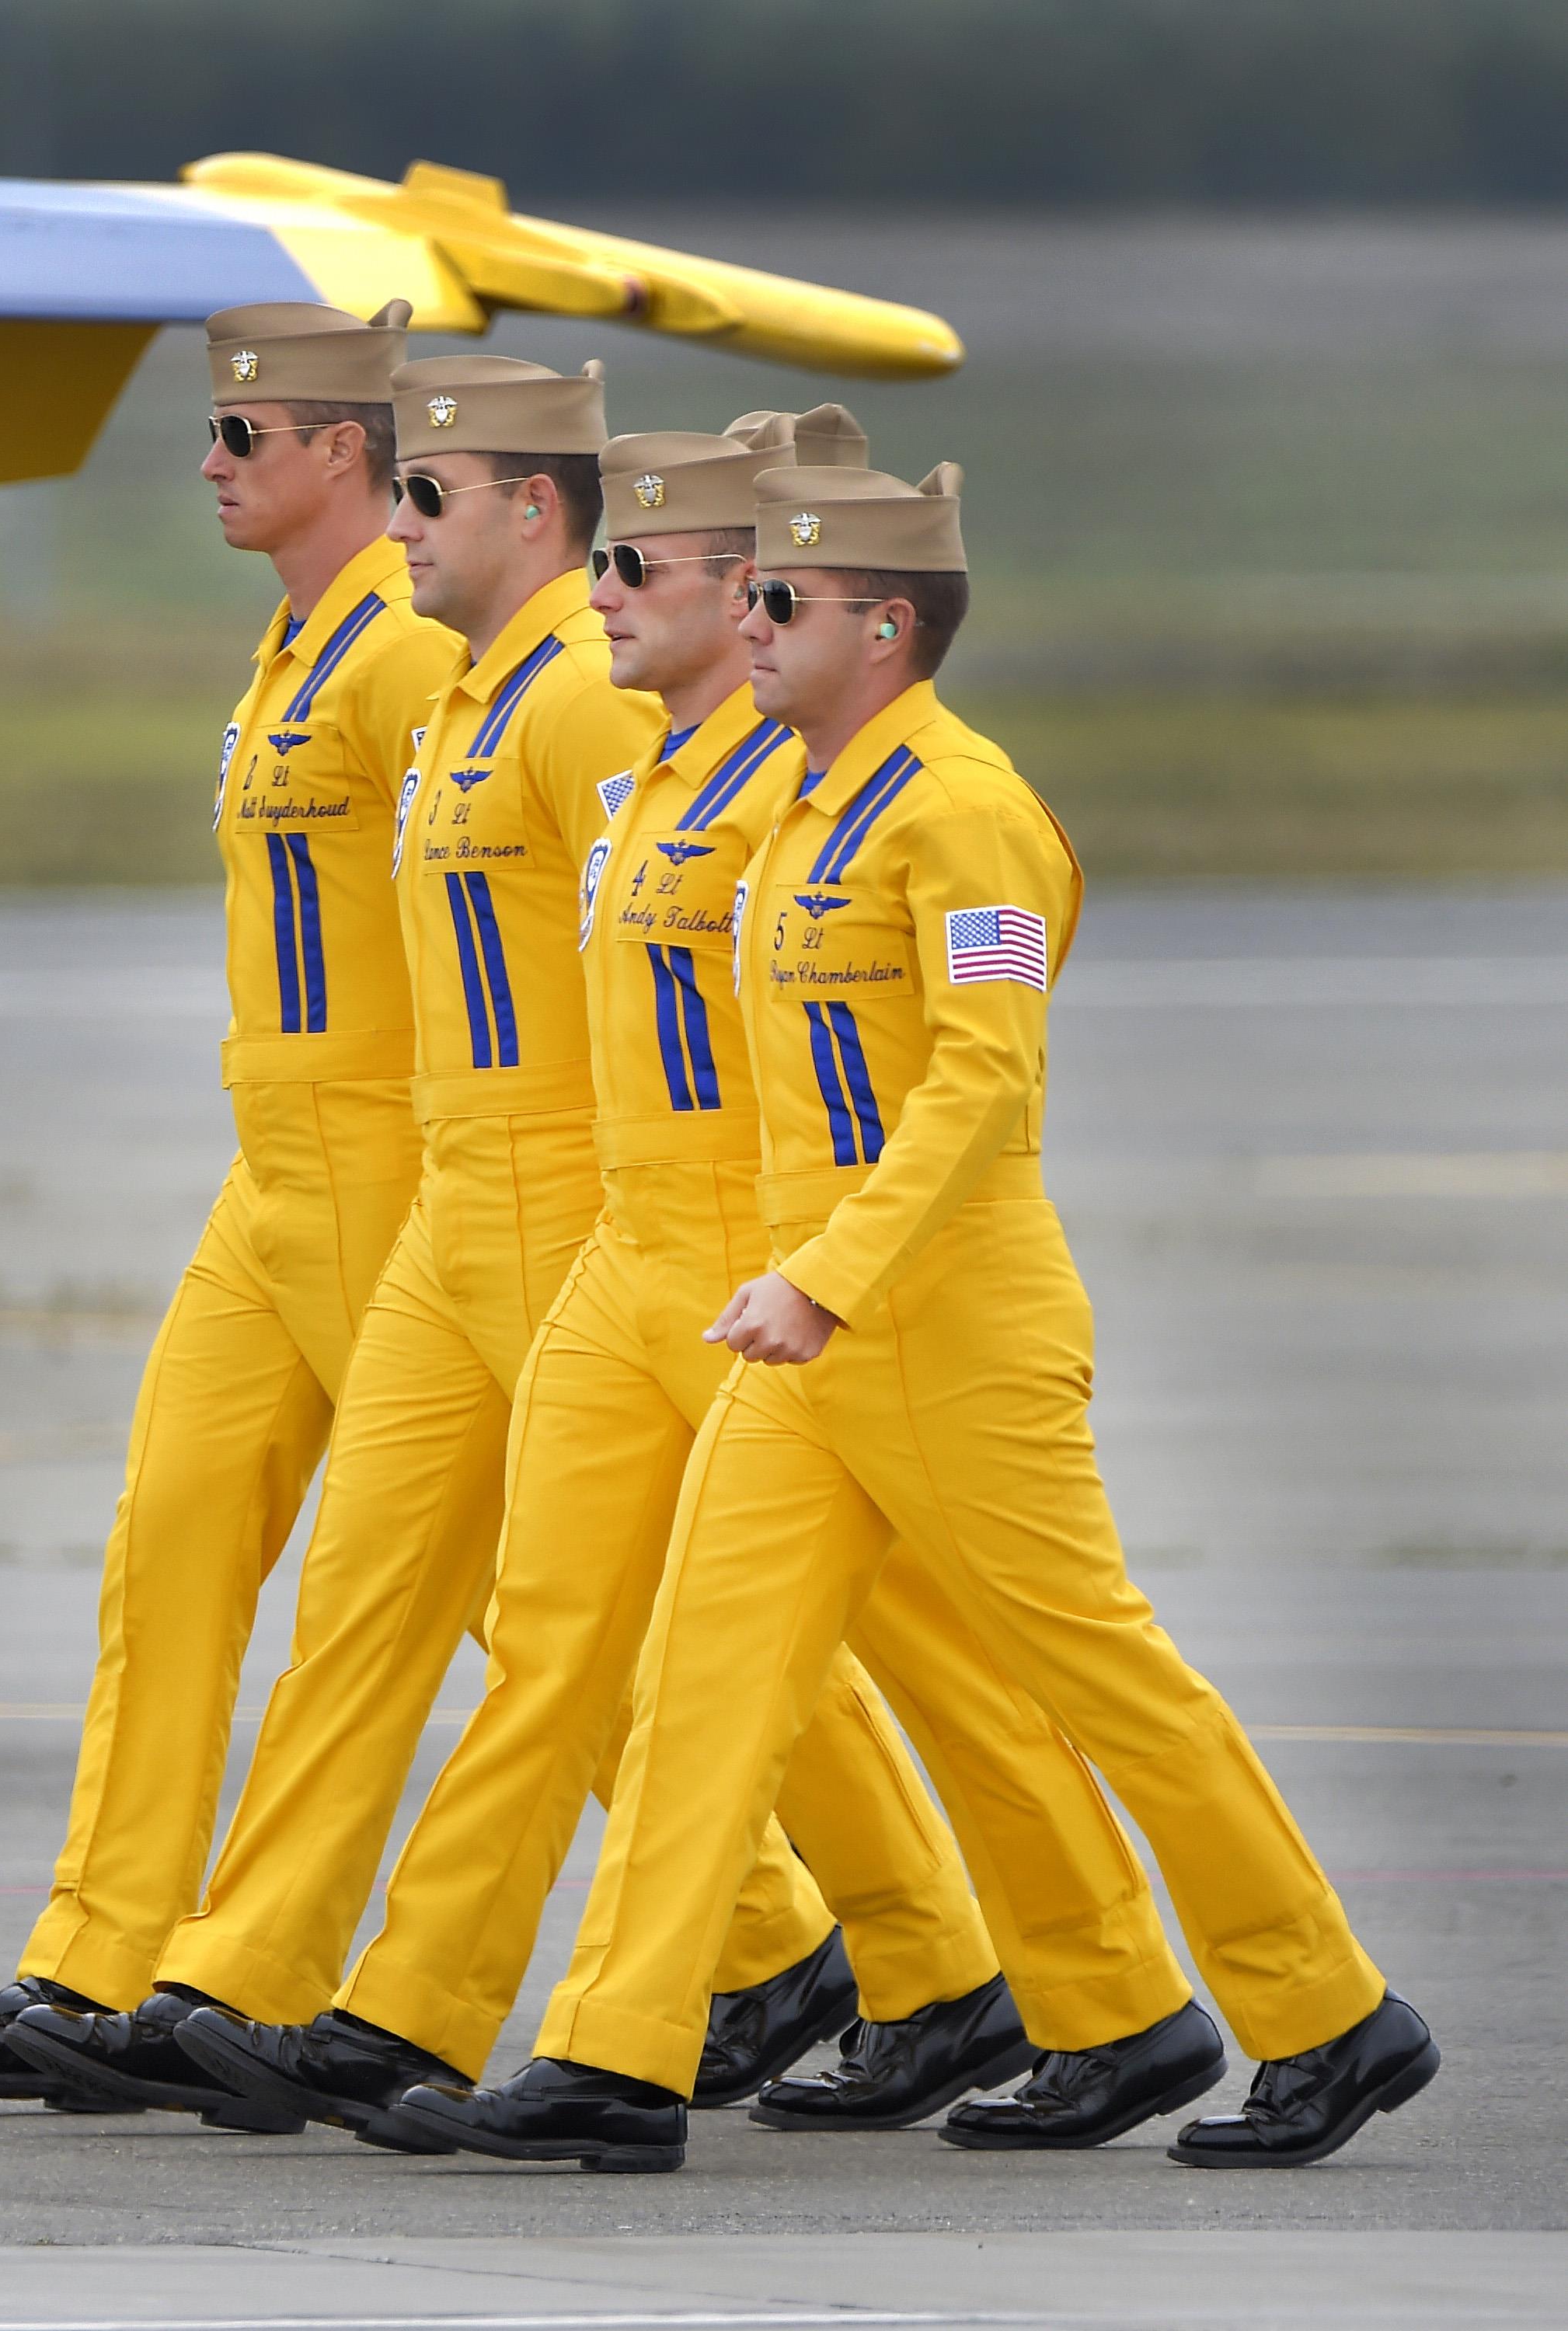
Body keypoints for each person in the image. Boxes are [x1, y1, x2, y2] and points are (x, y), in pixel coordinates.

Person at [178, 409, 1201, 2155]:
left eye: (637, 566)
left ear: (762, 603)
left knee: (928, 1656)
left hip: (774, 1253)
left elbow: (956, 1054)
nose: (603, 596)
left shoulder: (852, 791)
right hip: (600, 1231)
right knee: (569, 1638)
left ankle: (1092, 1990)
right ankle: (419, 2008)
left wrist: (819, 1258)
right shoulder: (658, 764)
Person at [397, 459, 1438, 2172]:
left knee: (1104, 1677)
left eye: (778, 601)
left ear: (886, 627)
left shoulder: (970, 816)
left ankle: (1327, 2010)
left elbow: (985, 1079)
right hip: (804, 1333)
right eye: (745, 594)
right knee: (702, 1687)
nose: (748, 623)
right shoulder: (804, 810)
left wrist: (828, 1273)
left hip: (951, 1327)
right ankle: (614, 2053)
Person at [6, 359, 997, 2130]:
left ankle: (904, 1953)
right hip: (413, 1182)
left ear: (528, 506)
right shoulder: (434, 676)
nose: (392, 521)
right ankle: (231, 1973)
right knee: (382, 1593)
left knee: (706, 1616)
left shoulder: (567, 699)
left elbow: (705, 947)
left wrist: (729, 1197)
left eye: (421, 489)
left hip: (566, 1191)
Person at [0, 302, 474, 2124]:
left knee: (499, 1584)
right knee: (174, 1545)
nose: (207, 462)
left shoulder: (406, 655)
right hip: (269, 1160)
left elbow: (510, 917)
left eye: (240, 435)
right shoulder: (294, 646)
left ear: (343, 453)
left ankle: (787, 1929)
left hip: (389, 1161)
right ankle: (99, 1961)